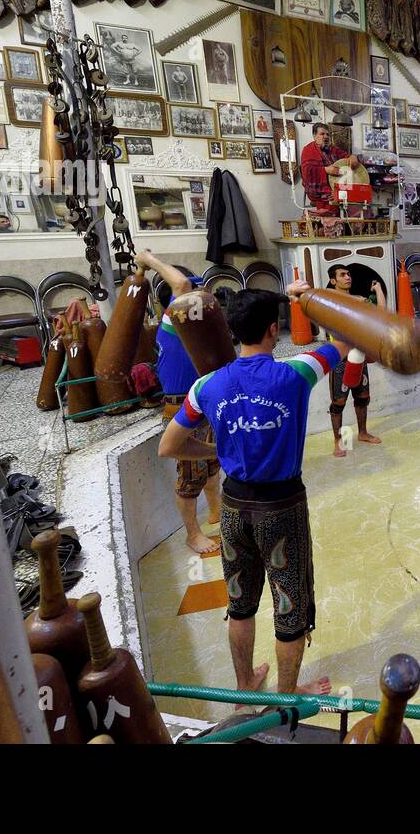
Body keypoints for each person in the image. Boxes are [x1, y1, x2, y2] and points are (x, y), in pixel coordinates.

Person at [158, 286, 344, 698]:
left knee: (240, 603)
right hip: (281, 508)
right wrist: (305, 296)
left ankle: (244, 686)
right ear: (274, 329)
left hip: (234, 508)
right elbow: (343, 340)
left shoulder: (206, 386)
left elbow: (168, 446)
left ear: (233, 330)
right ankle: (287, 695)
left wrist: (218, 451)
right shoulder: (297, 372)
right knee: (289, 607)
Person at [136, 250, 222, 555]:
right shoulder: (174, 323)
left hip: (202, 403)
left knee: (211, 466)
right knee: (190, 476)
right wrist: (148, 260)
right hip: (183, 408)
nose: (202, 298)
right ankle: (192, 534)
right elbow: (182, 285)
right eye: (199, 293)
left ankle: (216, 513)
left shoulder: (194, 330)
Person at [325, 264, 387, 455]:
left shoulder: (359, 300)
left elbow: (381, 315)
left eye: (348, 274)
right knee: (338, 402)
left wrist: (378, 290)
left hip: (359, 355)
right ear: (333, 281)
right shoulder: (328, 301)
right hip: (340, 358)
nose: (347, 277)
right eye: (342, 275)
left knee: (362, 398)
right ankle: (338, 441)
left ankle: (362, 433)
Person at [299, 123, 360, 225]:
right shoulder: (308, 150)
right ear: (315, 136)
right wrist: (326, 170)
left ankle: (348, 231)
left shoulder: (333, 149)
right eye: (322, 134)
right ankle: (335, 230)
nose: (326, 137)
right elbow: (307, 172)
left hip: (338, 190)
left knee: (359, 206)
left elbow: (346, 157)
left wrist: (353, 157)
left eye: (328, 134)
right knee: (332, 217)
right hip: (321, 193)